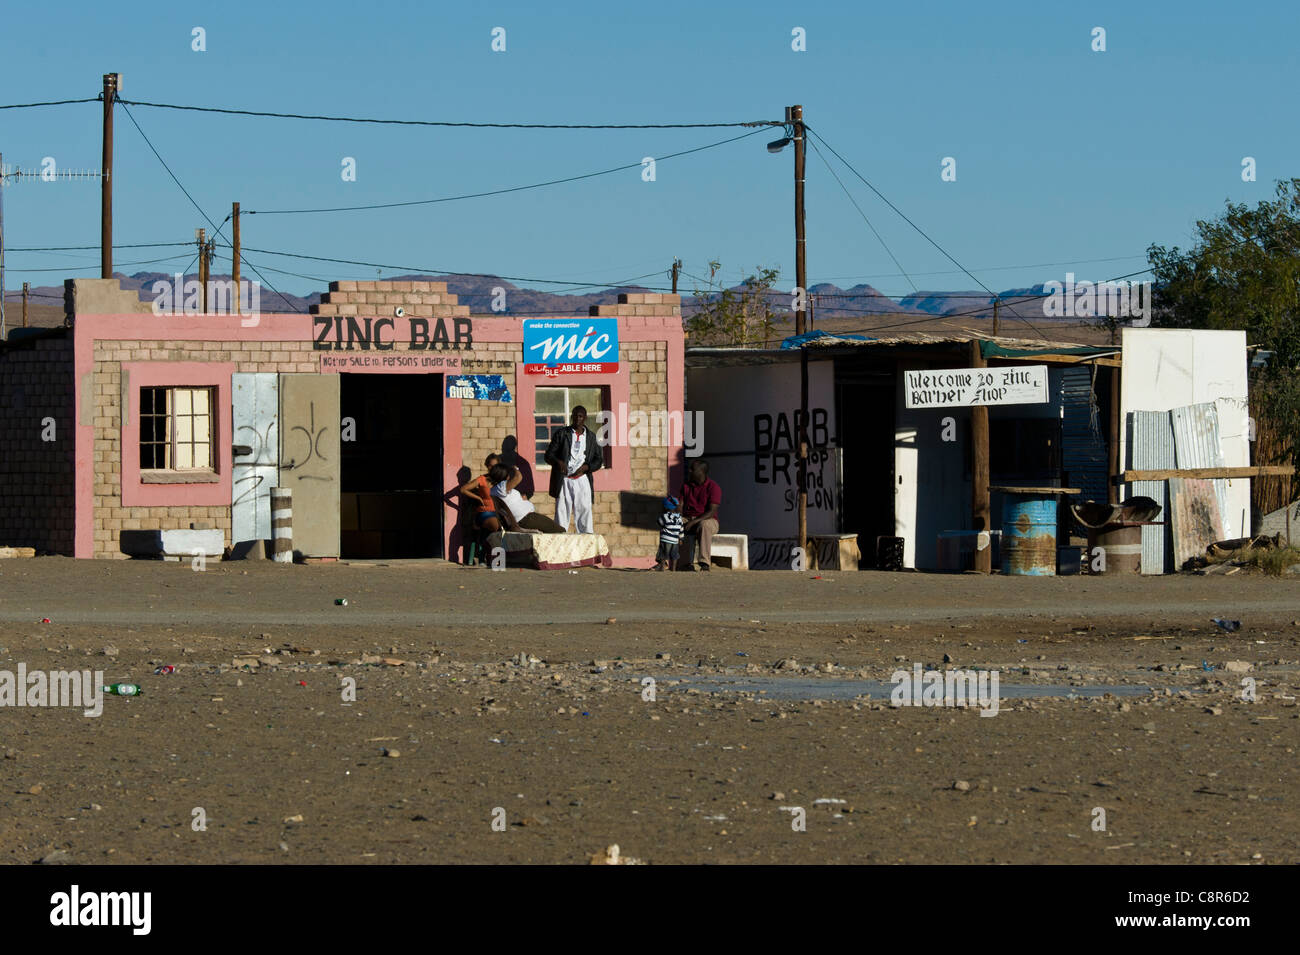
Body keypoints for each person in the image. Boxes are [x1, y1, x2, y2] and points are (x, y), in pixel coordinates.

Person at [545, 405, 603, 534]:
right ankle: (560, 543)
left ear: (585, 418)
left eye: (581, 416)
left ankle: (586, 544)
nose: (578, 418)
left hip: (582, 479)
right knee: (561, 513)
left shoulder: (591, 437)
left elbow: (599, 460)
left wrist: (587, 467)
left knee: (584, 512)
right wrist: (558, 461)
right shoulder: (562, 434)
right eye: (575, 416)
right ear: (572, 417)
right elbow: (548, 455)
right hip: (564, 479)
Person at [488, 463, 565, 533]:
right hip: (526, 519)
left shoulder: (494, 490)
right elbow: (519, 477)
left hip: (524, 519)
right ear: (506, 476)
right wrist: (515, 469)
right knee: (561, 531)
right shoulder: (500, 487)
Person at [679, 460, 721, 571]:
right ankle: (684, 564)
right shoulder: (686, 486)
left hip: (708, 519)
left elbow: (711, 512)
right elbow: (680, 505)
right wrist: (677, 519)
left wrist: (693, 522)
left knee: (704, 525)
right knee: (672, 524)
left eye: (692, 469)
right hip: (688, 518)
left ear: (701, 472)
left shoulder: (713, 487)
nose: (689, 471)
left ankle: (704, 563)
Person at [459, 453, 502, 535]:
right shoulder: (482, 479)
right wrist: (478, 498)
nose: (492, 468)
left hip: (499, 512)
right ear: (487, 466)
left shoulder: (501, 479)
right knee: (496, 526)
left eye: (495, 466)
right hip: (485, 511)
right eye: (490, 466)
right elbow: (463, 489)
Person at [654, 496, 683, 571]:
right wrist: (681, 539)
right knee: (674, 555)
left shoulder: (664, 516)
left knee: (663, 554)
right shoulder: (679, 518)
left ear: (666, 507)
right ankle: (673, 569)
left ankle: (662, 568)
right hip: (675, 541)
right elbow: (681, 529)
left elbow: (659, 523)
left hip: (665, 540)